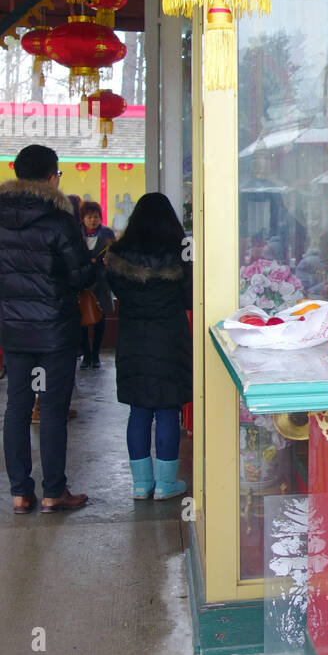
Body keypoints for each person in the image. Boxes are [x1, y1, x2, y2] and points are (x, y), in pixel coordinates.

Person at [0, 144, 95, 513]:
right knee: (53, 410)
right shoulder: (59, 219)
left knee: (17, 409)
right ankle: (55, 491)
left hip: (13, 328)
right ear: (51, 176)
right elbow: (79, 275)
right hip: (54, 330)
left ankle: (20, 493)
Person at [106, 193, 192, 501]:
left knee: (139, 411)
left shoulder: (118, 251)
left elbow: (114, 288)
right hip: (169, 338)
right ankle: (166, 483)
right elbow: (190, 296)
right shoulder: (180, 252)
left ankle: (141, 484)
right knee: (168, 410)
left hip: (132, 337)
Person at [78, 201, 115, 368]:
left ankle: (96, 354)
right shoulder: (76, 233)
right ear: (83, 218)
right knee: (82, 319)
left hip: (101, 280)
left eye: (96, 217)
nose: (93, 220)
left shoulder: (107, 233)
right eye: (90, 217)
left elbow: (114, 255)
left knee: (101, 318)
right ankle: (86, 354)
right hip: (82, 281)